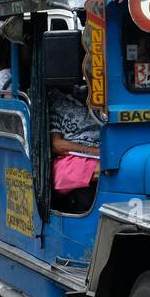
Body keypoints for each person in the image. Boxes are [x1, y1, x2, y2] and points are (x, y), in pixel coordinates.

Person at [50, 82, 101, 211]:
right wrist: (92, 151)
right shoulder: (59, 104)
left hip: (104, 150)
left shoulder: (101, 103)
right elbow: (57, 145)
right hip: (73, 156)